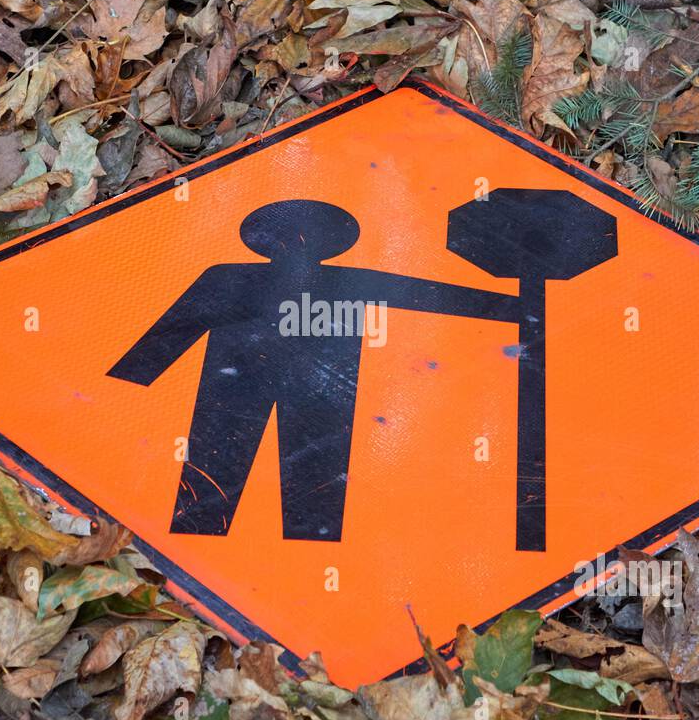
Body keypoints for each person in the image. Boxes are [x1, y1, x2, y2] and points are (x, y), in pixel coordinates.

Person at [109, 199, 520, 541]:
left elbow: (425, 294)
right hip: (235, 386)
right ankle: (197, 553)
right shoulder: (228, 278)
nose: (296, 247)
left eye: (306, 238)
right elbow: (176, 327)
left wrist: (514, 309)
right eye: (287, 237)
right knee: (210, 481)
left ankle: (310, 563)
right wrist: (133, 376)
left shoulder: (350, 282)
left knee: (315, 490)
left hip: (319, 394)